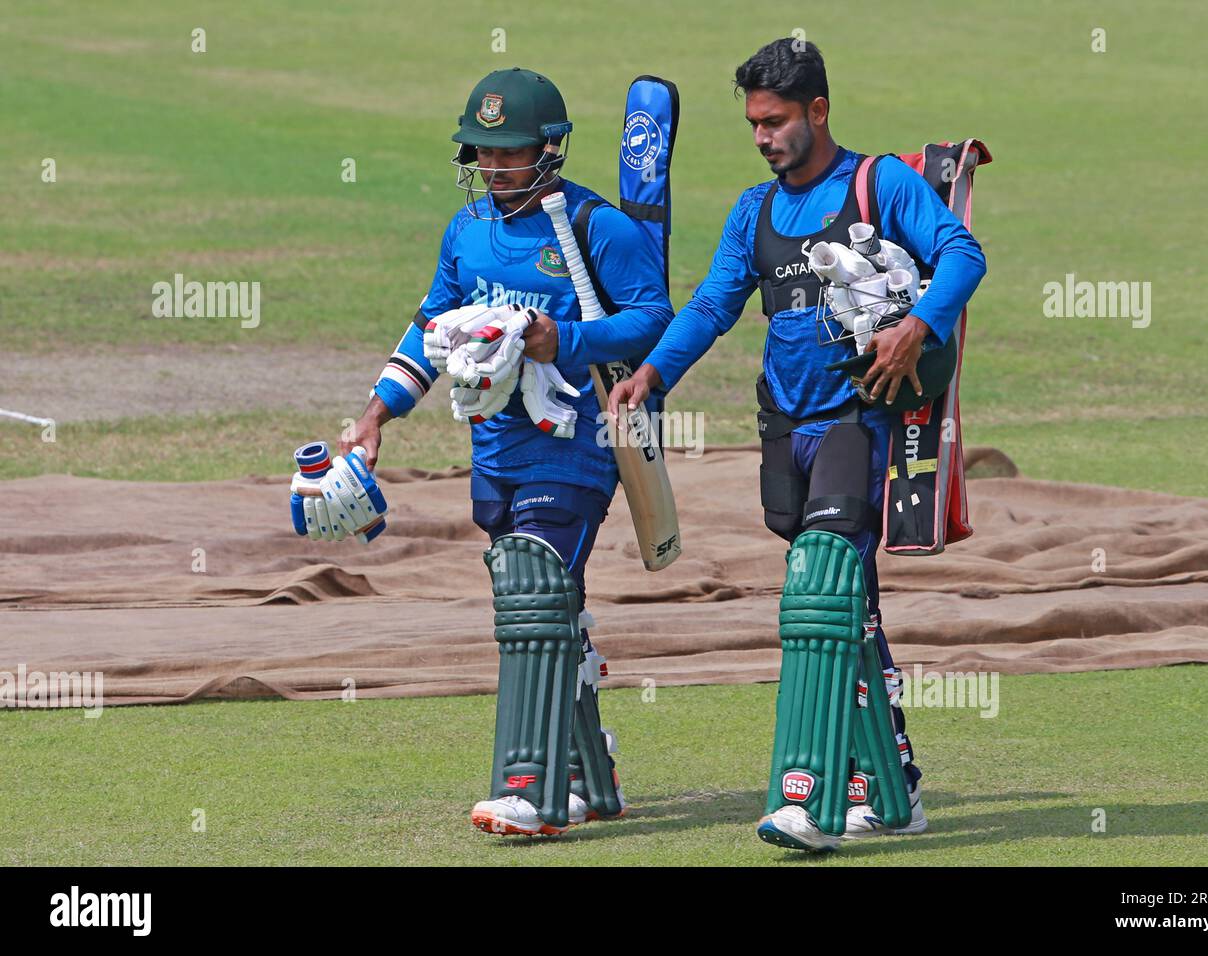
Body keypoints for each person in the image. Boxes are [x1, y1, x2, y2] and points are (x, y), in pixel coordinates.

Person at [608, 38, 987, 850]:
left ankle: (806, 795)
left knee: (821, 586)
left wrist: (918, 326)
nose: (763, 137)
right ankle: (890, 789)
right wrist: (653, 374)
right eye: (752, 124)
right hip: (784, 426)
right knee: (847, 609)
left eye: (775, 121)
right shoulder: (754, 212)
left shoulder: (878, 182)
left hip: (859, 417)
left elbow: (963, 251)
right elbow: (712, 305)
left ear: (818, 110)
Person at [341, 66, 674, 837]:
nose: (492, 167)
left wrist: (570, 339)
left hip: (577, 446)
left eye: (509, 151)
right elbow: (431, 326)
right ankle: (593, 774)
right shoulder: (467, 231)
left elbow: (657, 319)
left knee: (533, 592)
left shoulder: (597, 227)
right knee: (550, 611)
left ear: (549, 148)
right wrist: (375, 413)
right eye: (481, 152)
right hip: (492, 452)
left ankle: (531, 786)